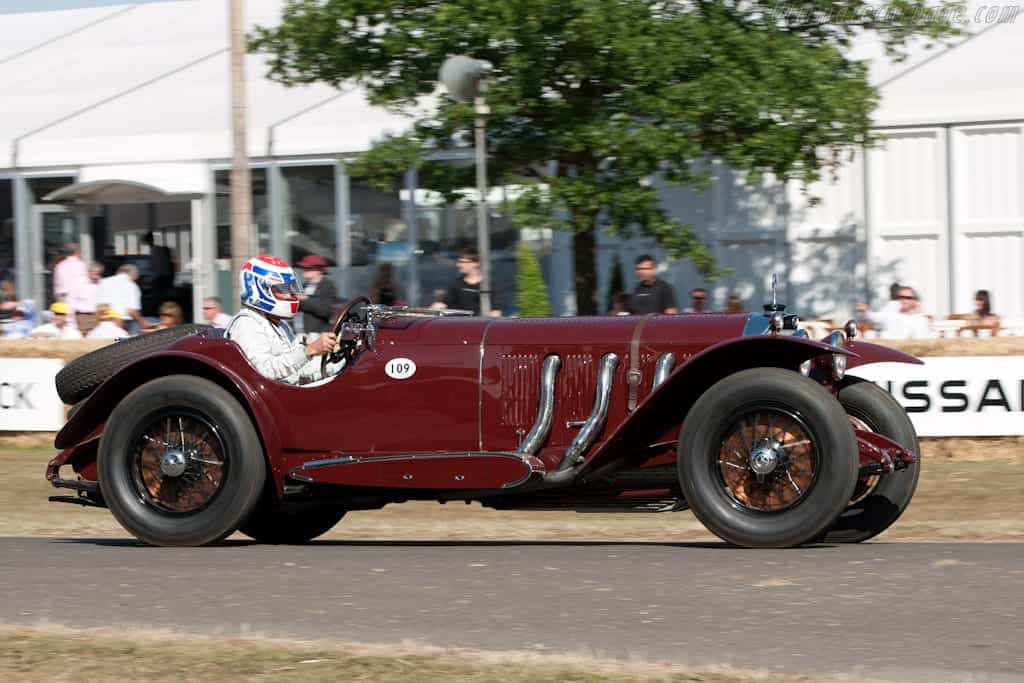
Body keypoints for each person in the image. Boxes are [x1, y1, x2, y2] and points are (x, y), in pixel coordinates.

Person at [225, 255, 343, 385]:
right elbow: (263, 371)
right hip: (269, 395)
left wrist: (339, 362)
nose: (289, 295)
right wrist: (309, 350)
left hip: (287, 389)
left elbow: (299, 370)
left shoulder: (280, 324)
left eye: (291, 288)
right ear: (260, 289)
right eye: (282, 289)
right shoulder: (247, 323)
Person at [431, 247, 499, 316]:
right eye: (459, 262)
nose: (458, 265)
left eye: (463, 262)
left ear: (475, 263)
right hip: (459, 324)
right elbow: (442, 304)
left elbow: (495, 312)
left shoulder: (488, 285)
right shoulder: (457, 284)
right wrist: (431, 311)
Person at [859, 285, 930, 339]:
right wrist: (865, 311)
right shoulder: (891, 313)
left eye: (908, 298)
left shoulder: (920, 320)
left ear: (915, 300)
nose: (904, 300)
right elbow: (875, 317)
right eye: (900, 297)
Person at [97, 264, 147, 334]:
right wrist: (144, 323)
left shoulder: (103, 281)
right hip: (121, 324)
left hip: (102, 322)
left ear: (118, 272)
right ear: (135, 276)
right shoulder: (131, 285)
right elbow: (132, 311)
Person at [294, 254, 338, 333]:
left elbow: (325, 310)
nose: (304, 270)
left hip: (317, 333)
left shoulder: (327, 286)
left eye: (308, 268)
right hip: (300, 332)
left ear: (318, 270)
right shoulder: (304, 286)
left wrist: (305, 299)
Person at [53, 242, 92, 318]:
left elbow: (58, 289)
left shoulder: (60, 266)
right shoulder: (82, 265)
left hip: (66, 303)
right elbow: (87, 284)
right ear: (77, 252)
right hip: (82, 305)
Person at [145, 232, 175, 300]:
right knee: (164, 297)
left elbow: (154, 268)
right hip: (166, 278)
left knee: (158, 298)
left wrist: (151, 280)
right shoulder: (162, 249)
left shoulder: (155, 251)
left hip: (160, 279)